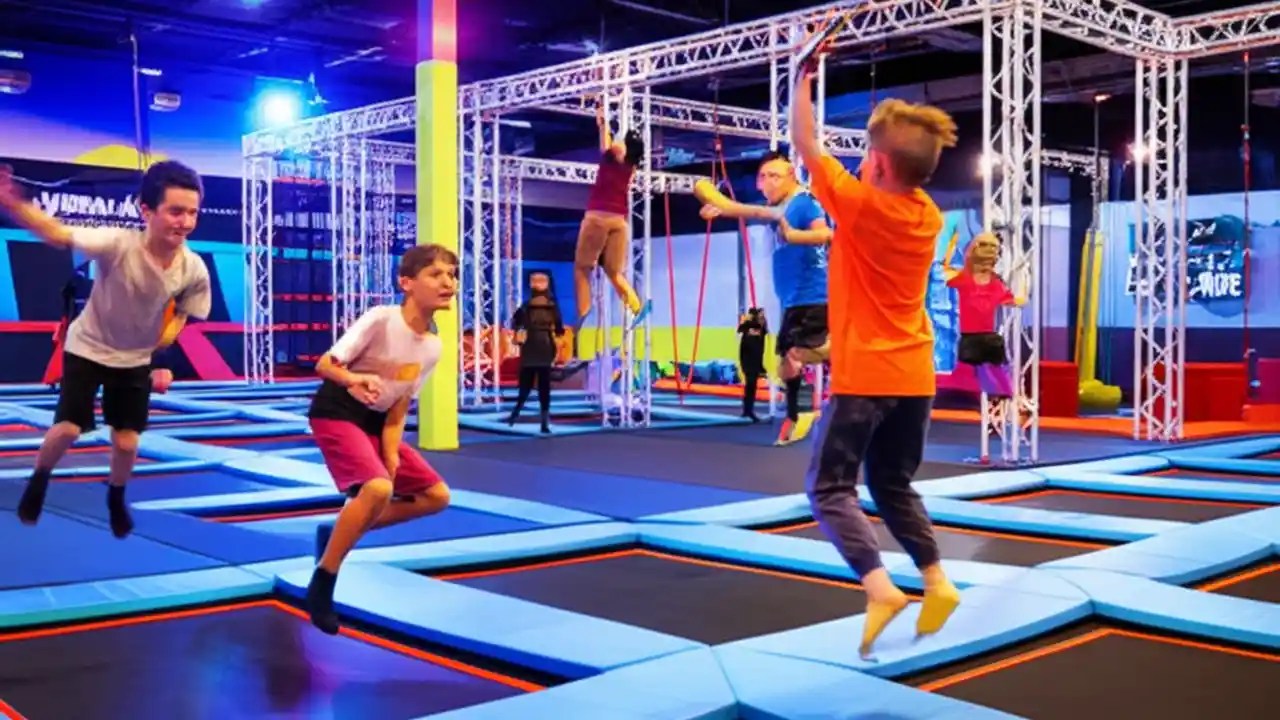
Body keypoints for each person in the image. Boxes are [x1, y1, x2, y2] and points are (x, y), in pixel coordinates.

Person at [791, 50, 961, 657]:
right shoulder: (927, 214)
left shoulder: (861, 207)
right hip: (916, 375)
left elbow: (805, 145)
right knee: (893, 483)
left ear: (881, 165)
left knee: (828, 487)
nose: (859, 163)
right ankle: (936, 579)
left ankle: (879, 585)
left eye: (867, 156)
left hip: (866, 375)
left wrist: (802, 77)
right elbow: (831, 159)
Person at [0, 162, 211, 538]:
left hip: (133, 358)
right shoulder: (117, 244)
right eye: (175, 211)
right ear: (147, 211)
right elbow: (57, 233)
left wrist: (162, 350)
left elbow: (185, 311)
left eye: (192, 212)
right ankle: (39, 478)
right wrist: (14, 203)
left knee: (127, 440)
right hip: (88, 347)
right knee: (67, 429)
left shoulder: (192, 268)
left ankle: (116, 495)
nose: (185, 222)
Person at [305, 243, 457, 635]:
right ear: (406, 283)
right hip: (337, 412)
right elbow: (326, 364)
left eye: (452, 275)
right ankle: (323, 581)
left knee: (436, 496)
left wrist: (391, 452)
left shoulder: (433, 347)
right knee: (375, 489)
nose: (448, 282)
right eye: (436, 274)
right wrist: (355, 377)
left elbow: (399, 406)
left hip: (376, 423)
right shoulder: (381, 319)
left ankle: (338, 529)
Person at [700, 152, 833, 445]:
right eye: (763, 177)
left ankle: (802, 411)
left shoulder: (803, 203)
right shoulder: (783, 206)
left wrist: (795, 235)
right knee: (786, 359)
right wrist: (723, 210)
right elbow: (755, 211)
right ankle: (798, 414)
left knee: (795, 355)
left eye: (774, 176)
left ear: (791, 177)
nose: (767, 183)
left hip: (812, 295)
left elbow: (824, 233)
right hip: (794, 298)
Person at [574, 101, 651, 339]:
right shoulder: (631, 167)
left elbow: (607, 141)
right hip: (619, 222)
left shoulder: (612, 156)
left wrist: (603, 120)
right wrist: (603, 119)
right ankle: (637, 306)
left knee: (581, 267)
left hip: (598, 217)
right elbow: (612, 141)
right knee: (614, 272)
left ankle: (584, 314)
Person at [941, 231, 1025, 398]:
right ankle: (1005, 399)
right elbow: (1017, 300)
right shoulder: (995, 285)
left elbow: (944, 272)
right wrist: (1022, 277)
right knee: (1000, 384)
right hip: (986, 340)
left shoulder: (965, 280)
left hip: (973, 340)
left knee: (967, 381)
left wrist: (951, 245)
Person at [506, 271, 564, 434]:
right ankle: (544, 422)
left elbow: (516, 322)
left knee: (526, 383)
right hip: (546, 345)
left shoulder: (526, 306)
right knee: (544, 385)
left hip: (530, 345)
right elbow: (559, 328)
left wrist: (521, 331)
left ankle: (515, 414)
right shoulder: (553, 306)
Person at [736, 306, 767, 422]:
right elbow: (741, 330)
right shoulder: (750, 328)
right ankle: (747, 410)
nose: (763, 318)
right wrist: (748, 319)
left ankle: (748, 410)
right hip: (749, 361)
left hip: (755, 361)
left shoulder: (761, 329)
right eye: (761, 316)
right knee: (750, 386)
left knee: (751, 387)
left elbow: (763, 333)